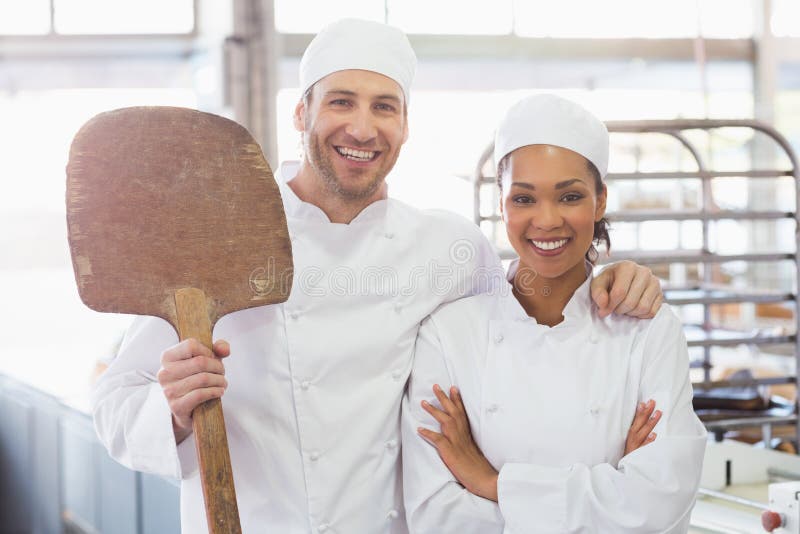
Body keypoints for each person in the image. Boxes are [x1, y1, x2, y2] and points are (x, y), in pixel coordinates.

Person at [92, 20, 664, 534]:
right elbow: (115, 409)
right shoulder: (218, 239)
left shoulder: (449, 248)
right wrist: (170, 409)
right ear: (301, 113)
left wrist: (612, 276)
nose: (363, 129)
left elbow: (536, 314)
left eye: (385, 107)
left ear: (406, 124)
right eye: (342, 102)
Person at [401, 94, 707, 533]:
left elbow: (658, 506)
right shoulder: (448, 335)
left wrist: (491, 482)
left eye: (569, 196)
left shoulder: (649, 331)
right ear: (502, 204)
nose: (546, 221)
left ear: (600, 201)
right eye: (524, 199)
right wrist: (607, 494)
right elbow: (435, 515)